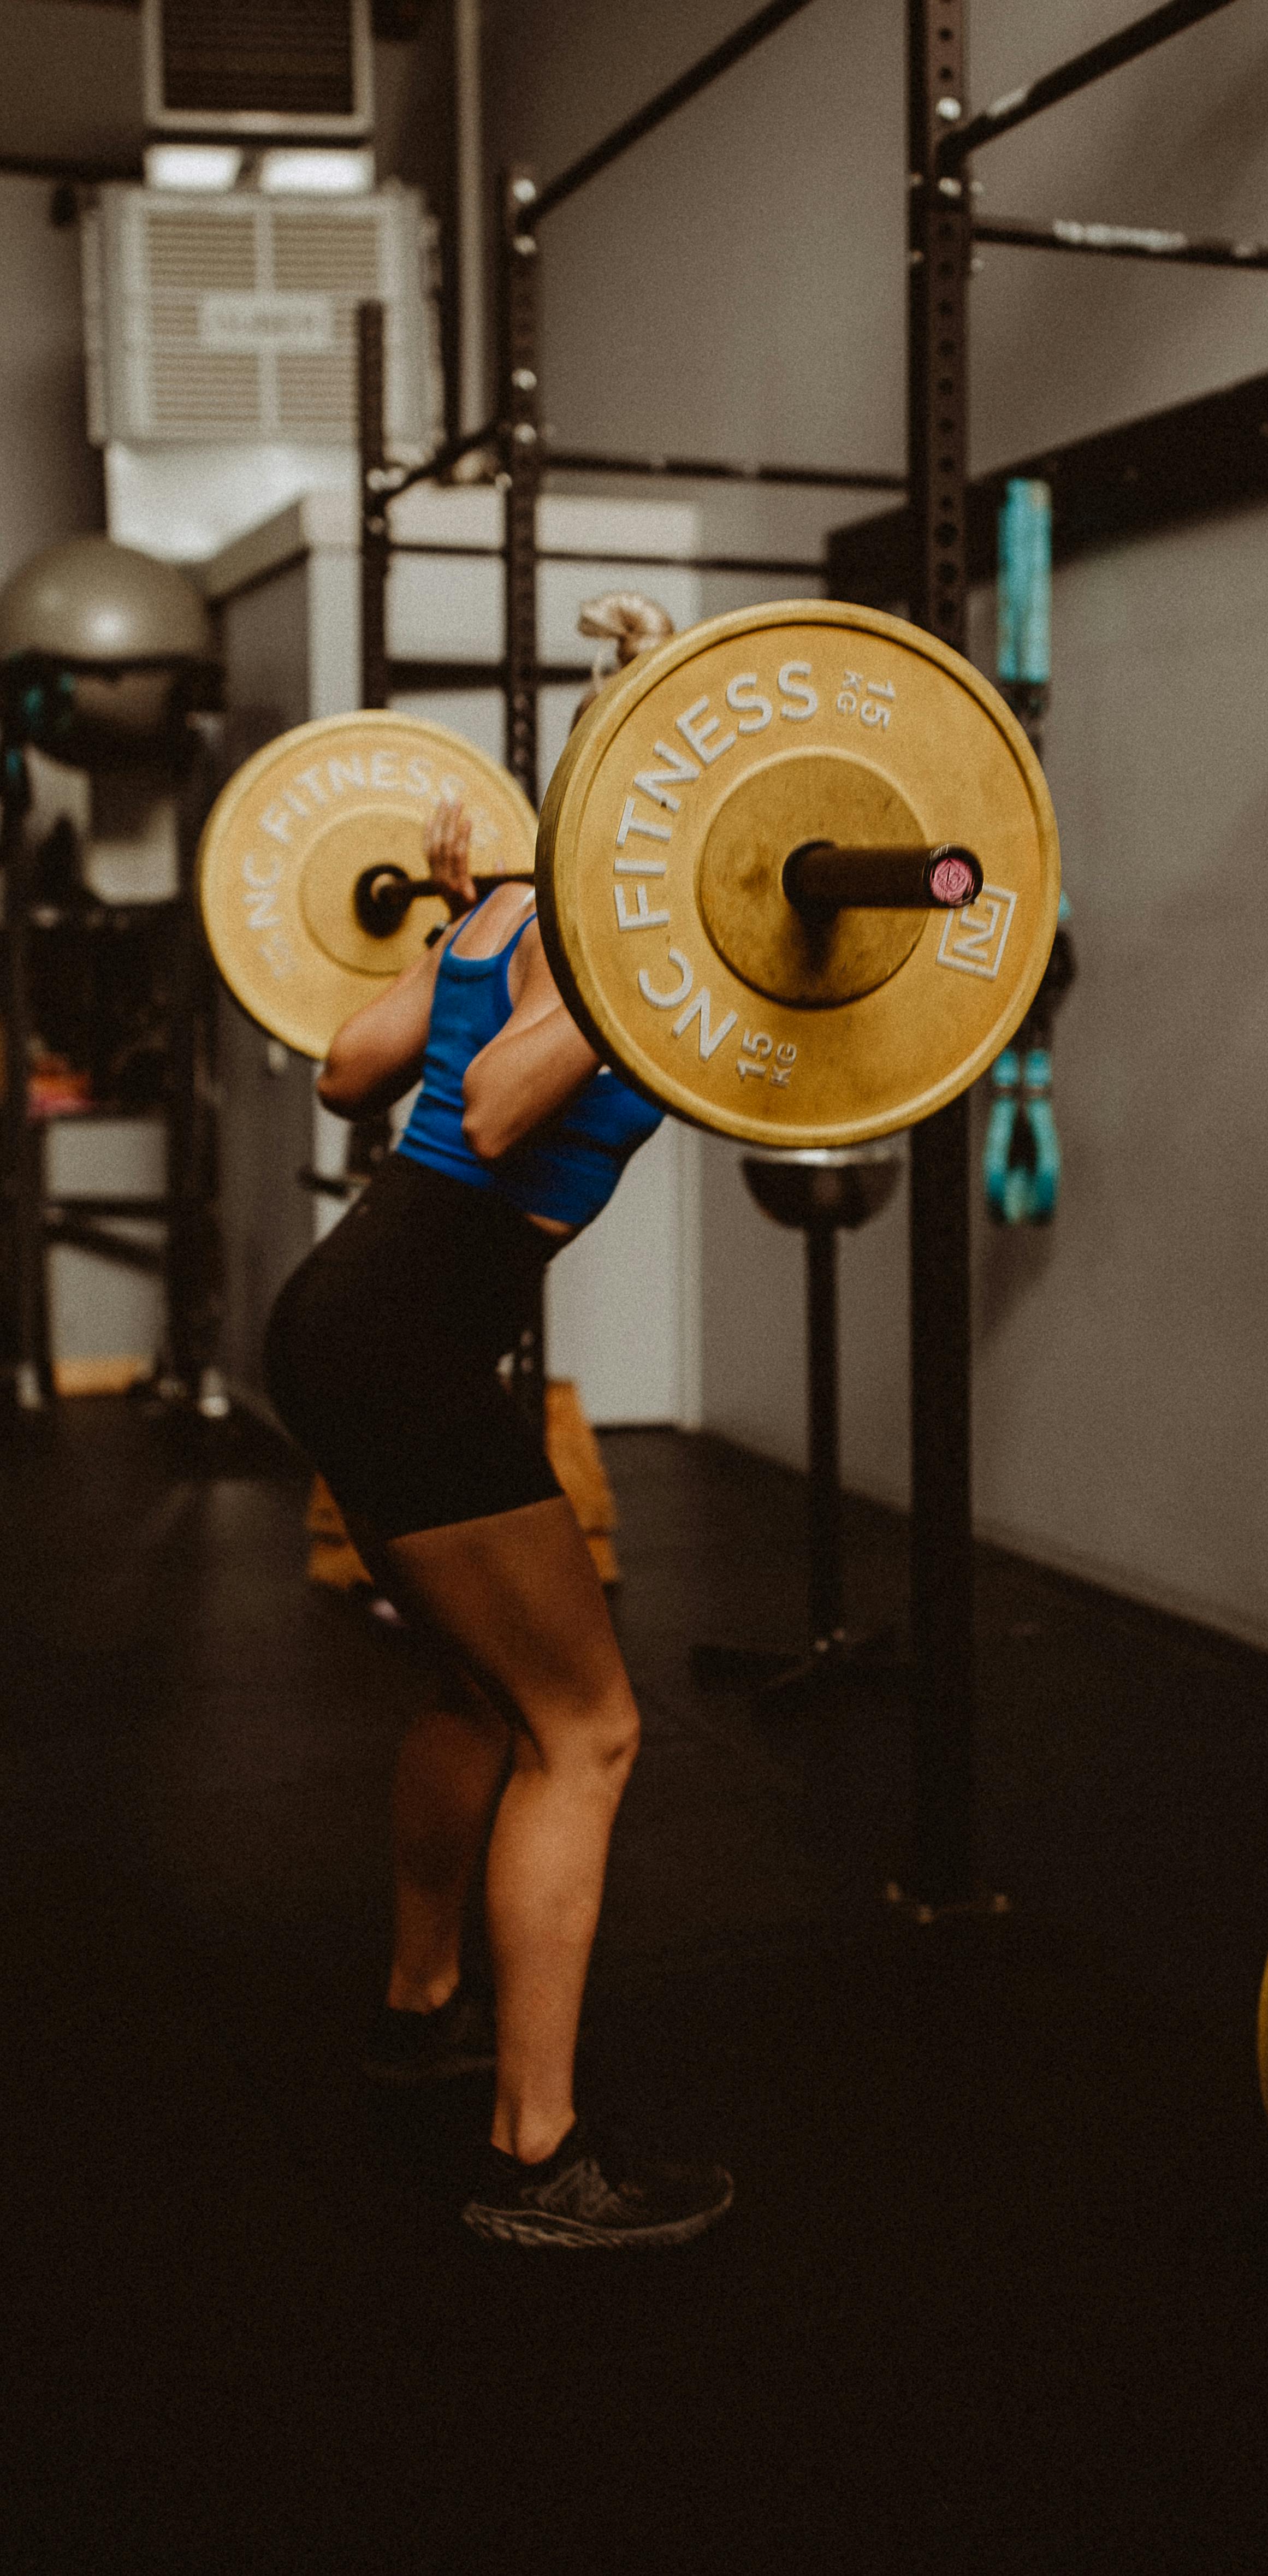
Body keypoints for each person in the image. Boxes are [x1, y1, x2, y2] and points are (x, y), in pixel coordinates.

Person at [264, 594, 731, 2249]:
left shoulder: (498, 907)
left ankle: (418, 2007)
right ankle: (535, 2154)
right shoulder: (602, 935)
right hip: (400, 1333)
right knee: (586, 1730)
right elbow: (474, 1103)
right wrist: (635, 978)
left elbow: (343, 1073)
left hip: (348, 1320)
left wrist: (487, 936)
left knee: (475, 1686)